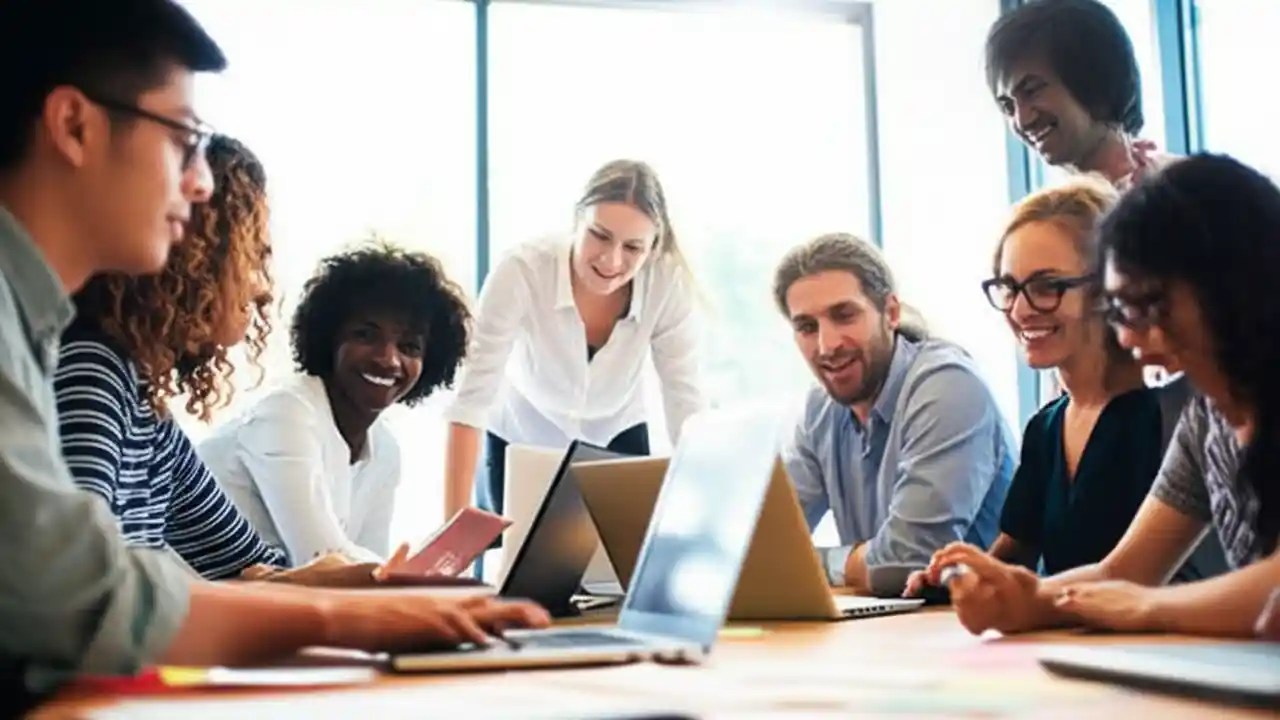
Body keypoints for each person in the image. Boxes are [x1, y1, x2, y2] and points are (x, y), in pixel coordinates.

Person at [0, 0, 544, 705]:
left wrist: (371, 590)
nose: (198, 184)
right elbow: (77, 599)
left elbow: (244, 566)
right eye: (183, 140)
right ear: (75, 126)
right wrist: (347, 617)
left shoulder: (72, 352)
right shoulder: (77, 364)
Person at [922, 154, 1280, 638]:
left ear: (1226, 284)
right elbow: (1123, 572)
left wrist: (1146, 607)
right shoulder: (1205, 419)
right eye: (1121, 309)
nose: (1127, 334)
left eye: (1145, 305)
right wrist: (1028, 600)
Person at [56, 133, 285, 580]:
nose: (260, 286)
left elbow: (248, 565)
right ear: (195, 258)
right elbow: (79, 582)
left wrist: (367, 581)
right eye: (253, 255)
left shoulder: (148, 409)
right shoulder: (92, 372)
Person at [442, 159, 705, 521]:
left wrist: (706, 513)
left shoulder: (667, 283)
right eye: (600, 235)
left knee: (621, 556)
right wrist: (450, 531)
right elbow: (470, 401)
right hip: (519, 434)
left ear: (653, 247)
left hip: (615, 434)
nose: (612, 260)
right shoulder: (522, 270)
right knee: (514, 555)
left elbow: (684, 401)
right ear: (577, 220)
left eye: (633, 247)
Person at [775, 233, 1016, 597]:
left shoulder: (947, 385)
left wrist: (812, 564)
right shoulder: (820, 408)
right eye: (807, 327)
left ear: (890, 312)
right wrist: (851, 563)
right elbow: (760, 547)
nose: (827, 345)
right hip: (896, 624)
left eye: (844, 316)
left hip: (977, 622)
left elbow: (908, 561)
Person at [201, 240, 470, 566]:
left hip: (269, 593)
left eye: (409, 347)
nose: (389, 360)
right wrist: (416, 576)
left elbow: (365, 571)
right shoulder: (286, 412)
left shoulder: (384, 449)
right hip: (191, 593)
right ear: (329, 338)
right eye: (366, 335)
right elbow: (320, 560)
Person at [985, 0, 1175, 192]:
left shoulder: (1182, 189)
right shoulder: (1052, 210)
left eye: (1032, 90)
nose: (1022, 121)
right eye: (1008, 106)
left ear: (1094, 77)